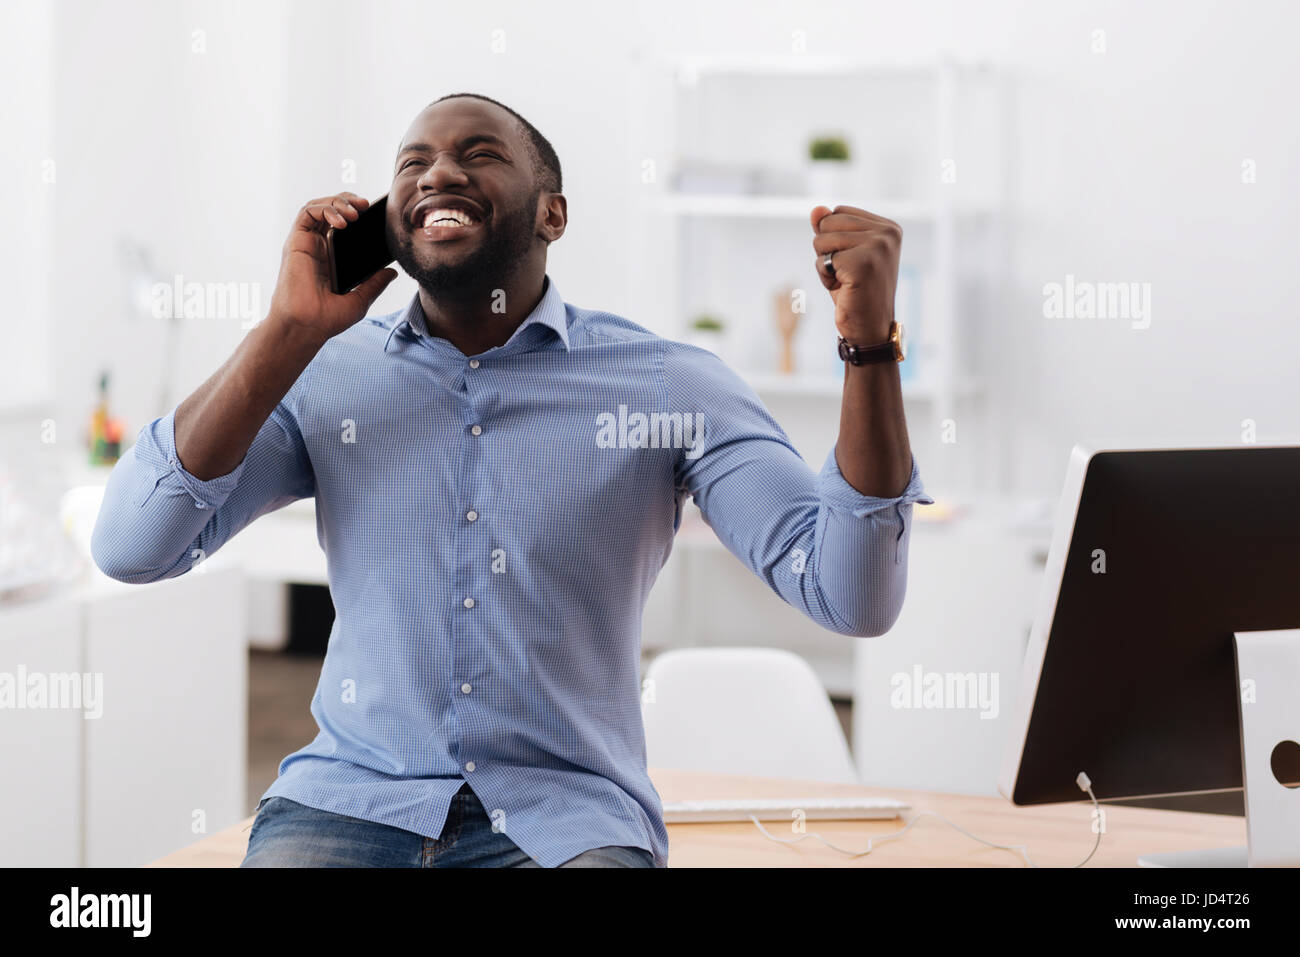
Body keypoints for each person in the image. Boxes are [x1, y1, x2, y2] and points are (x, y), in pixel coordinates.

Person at [90, 92, 931, 867]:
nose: (439, 172)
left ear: (552, 212)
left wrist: (870, 349)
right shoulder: (319, 376)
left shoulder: (669, 385)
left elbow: (850, 593)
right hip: (345, 807)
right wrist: (287, 330)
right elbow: (132, 546)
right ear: (390, 219)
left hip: (567, 821)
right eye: (412, 163)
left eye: (480, 153)